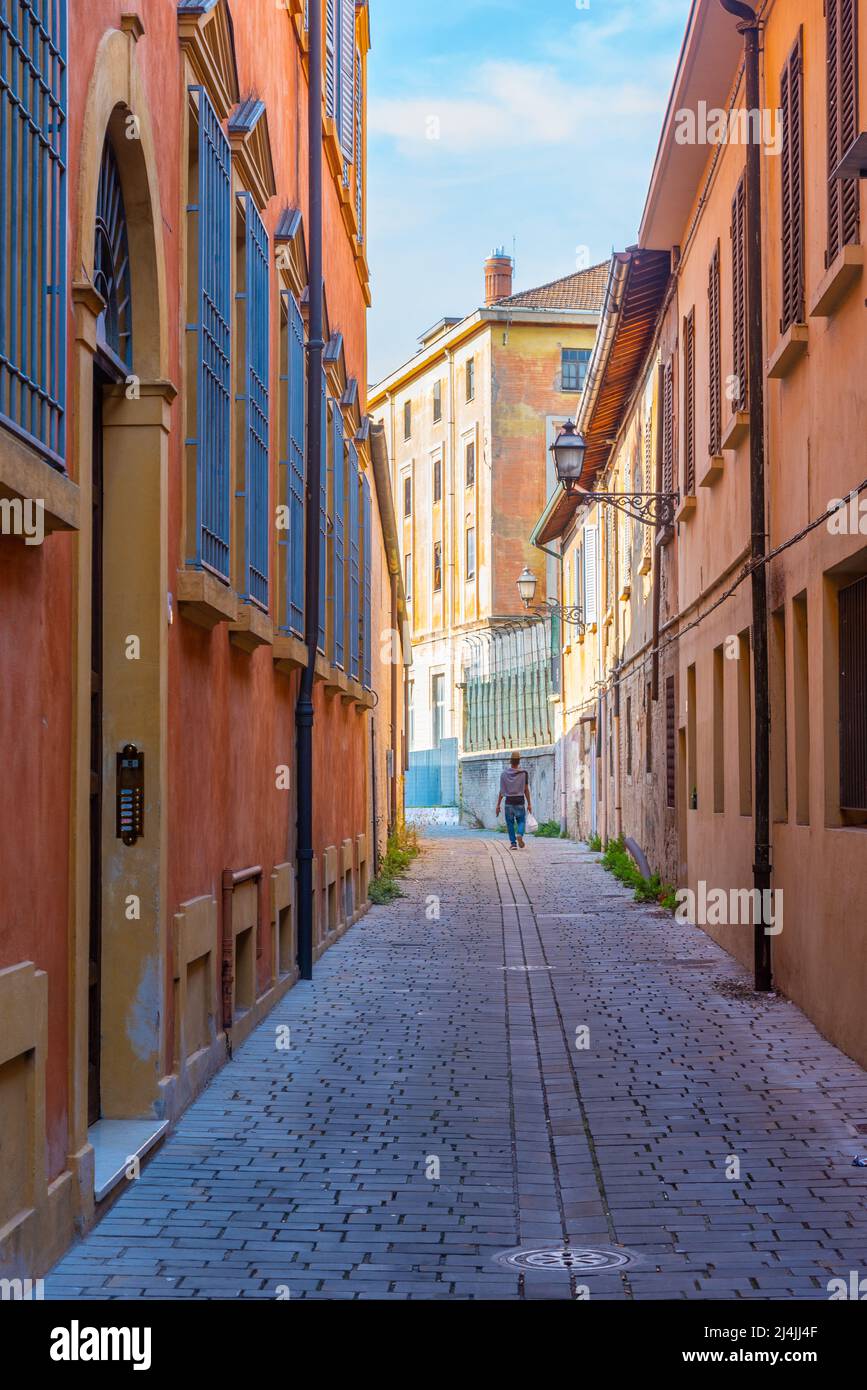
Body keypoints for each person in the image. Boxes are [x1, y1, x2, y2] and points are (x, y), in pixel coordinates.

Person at [496, 751, 532, 849]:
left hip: (509, 801)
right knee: (521, 821)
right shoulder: (524, 773)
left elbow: (502, 791)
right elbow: (526, 789)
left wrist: (498, 805)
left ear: (511, 761)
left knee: (510, 823)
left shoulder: (504, 774)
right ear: (519, 761)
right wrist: (529, 804)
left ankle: (513, 844)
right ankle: (519, 834)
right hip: (520, 800)